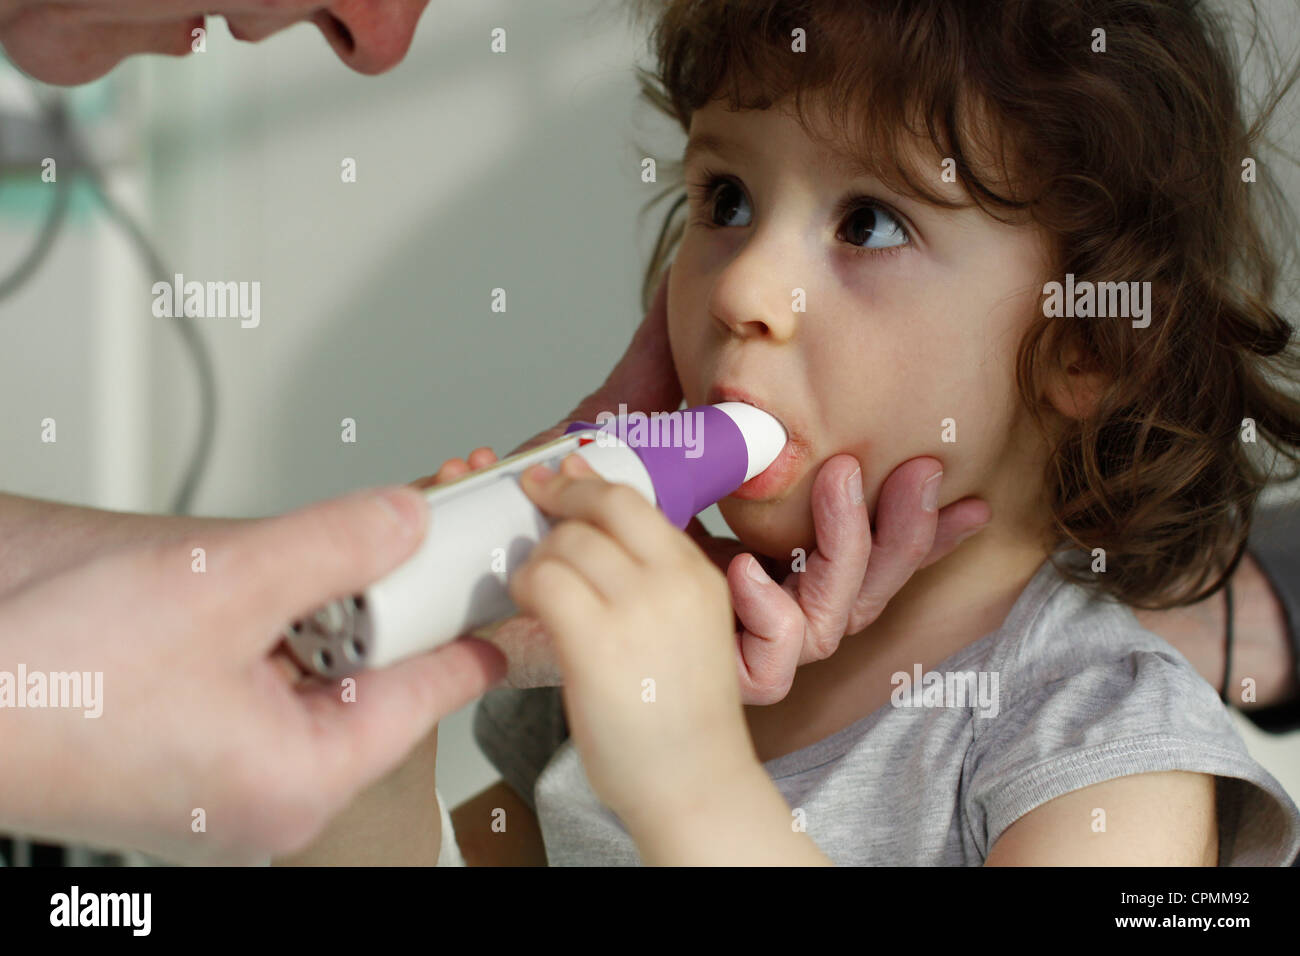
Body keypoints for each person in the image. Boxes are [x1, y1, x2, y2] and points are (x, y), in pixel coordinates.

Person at [0, 0, 1295, 867]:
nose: (738, 290)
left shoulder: (1096, 742)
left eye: (870, 225)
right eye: (727, 196)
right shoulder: (635, 635)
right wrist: (382, 717)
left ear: (1085, 340)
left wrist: (698, 793)